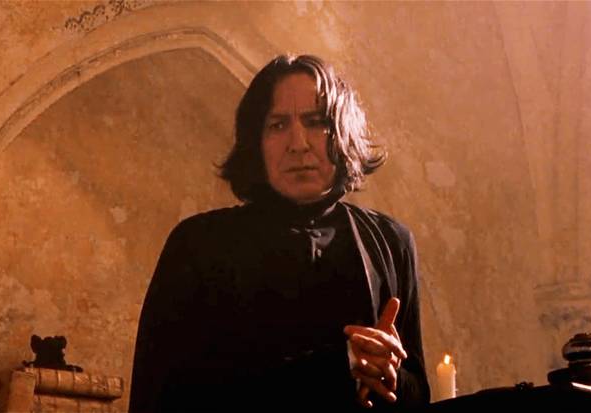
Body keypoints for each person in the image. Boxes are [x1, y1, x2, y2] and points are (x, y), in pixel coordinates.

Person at [129, 54, 430, 412]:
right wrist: (344, 363)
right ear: (256, 142)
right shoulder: (198, 245)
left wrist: (388, 369)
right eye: (277, 125)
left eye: (316, 122)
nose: (298, 143)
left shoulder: (391, 241)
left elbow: (417, 394)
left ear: (342, 132)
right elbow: (164, 397)